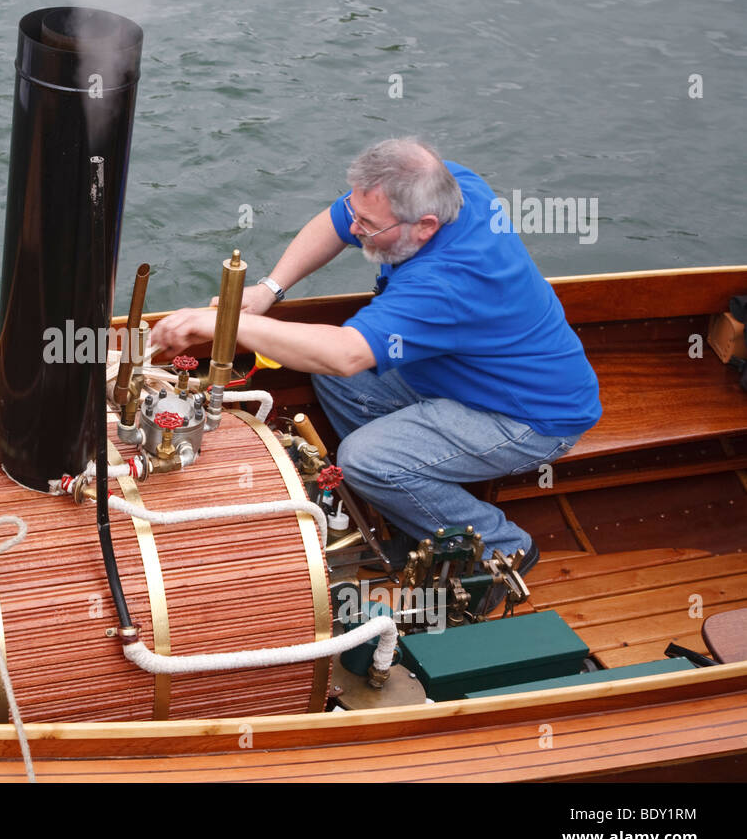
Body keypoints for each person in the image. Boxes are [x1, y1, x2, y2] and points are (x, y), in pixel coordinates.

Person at [147, 137, 602, 591]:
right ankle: (413, 506)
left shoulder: (449, 281)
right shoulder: (451, 186)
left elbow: (346, 354)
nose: (355, 228)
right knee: (332, 377)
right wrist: (267, 291)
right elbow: (335, 221)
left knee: (365, 460)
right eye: (357, 213)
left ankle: (501, 551)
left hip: (527, 415)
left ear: (424, 226)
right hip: (460, 375)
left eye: (368, 225)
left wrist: (221, 322)